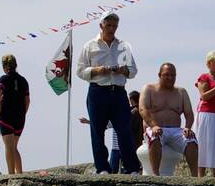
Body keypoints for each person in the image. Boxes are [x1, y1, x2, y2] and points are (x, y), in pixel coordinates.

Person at [76, 12, 138, 173]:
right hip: (98, 92)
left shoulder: (123, 46)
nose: (111, 29)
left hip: (118, 92)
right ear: (101, 26)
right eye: (108, 25)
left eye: (114, 26)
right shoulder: (89, 46)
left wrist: (124, 70)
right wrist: (97, 70)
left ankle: (131, 168)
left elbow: (133, 70)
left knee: (124, 130)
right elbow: (80, 71)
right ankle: (102, 168)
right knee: (97, 131)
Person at [139, 62, 199, 176]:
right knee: (154, 136)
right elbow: (142, 109)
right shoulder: (149, 89)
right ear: (159, 75)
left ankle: (195, 176)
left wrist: (187, 127)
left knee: (191, 140)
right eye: (167, 75)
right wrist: (154, 125)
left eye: (173, 75)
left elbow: (189, 113)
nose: (170, 78)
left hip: (176, 130)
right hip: (156, 127)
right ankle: (156, 175)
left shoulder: (181, 92)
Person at [0, 54, 30, 175]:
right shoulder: (23, 80)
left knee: (9, 146)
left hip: (7, 116)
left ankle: (11, 174)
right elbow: (27, 100)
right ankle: (19, 173)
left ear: (4, 66)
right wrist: (23, 113)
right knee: (14, 146)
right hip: (20, 117)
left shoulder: (4, 79)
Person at [125, 90, 144, 173]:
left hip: (134, 141)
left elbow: (129, 127)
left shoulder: (133, 112)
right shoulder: (144, 110)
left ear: (131, 100)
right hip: (142, 139)